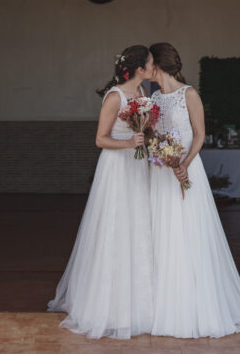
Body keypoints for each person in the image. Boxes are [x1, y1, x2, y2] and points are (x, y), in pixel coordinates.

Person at [147, 42, 240, 338]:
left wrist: (184, 162)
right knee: (162, 232)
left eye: (148, 62)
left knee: (188, 232)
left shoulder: (189, 94)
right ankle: (162, 301)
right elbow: (155, 133)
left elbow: (199, 134)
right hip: (162, 171)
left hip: (187, 169)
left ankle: (194, 301)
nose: (145, 68)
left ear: (158, 65)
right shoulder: (153, 96)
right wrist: (161, 152)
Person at [47, 45, 155, 339]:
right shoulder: (114, 96)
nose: (153, 69)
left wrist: (148, 140)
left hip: (138, 166)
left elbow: (145, 130)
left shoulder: (143, 93)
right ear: (139, 69)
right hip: (117, 168)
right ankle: (109, 305)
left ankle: (143, 303)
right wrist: (129, 144)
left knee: (140, 226)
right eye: (150, 64)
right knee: (116, 228)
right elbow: (100, 139)